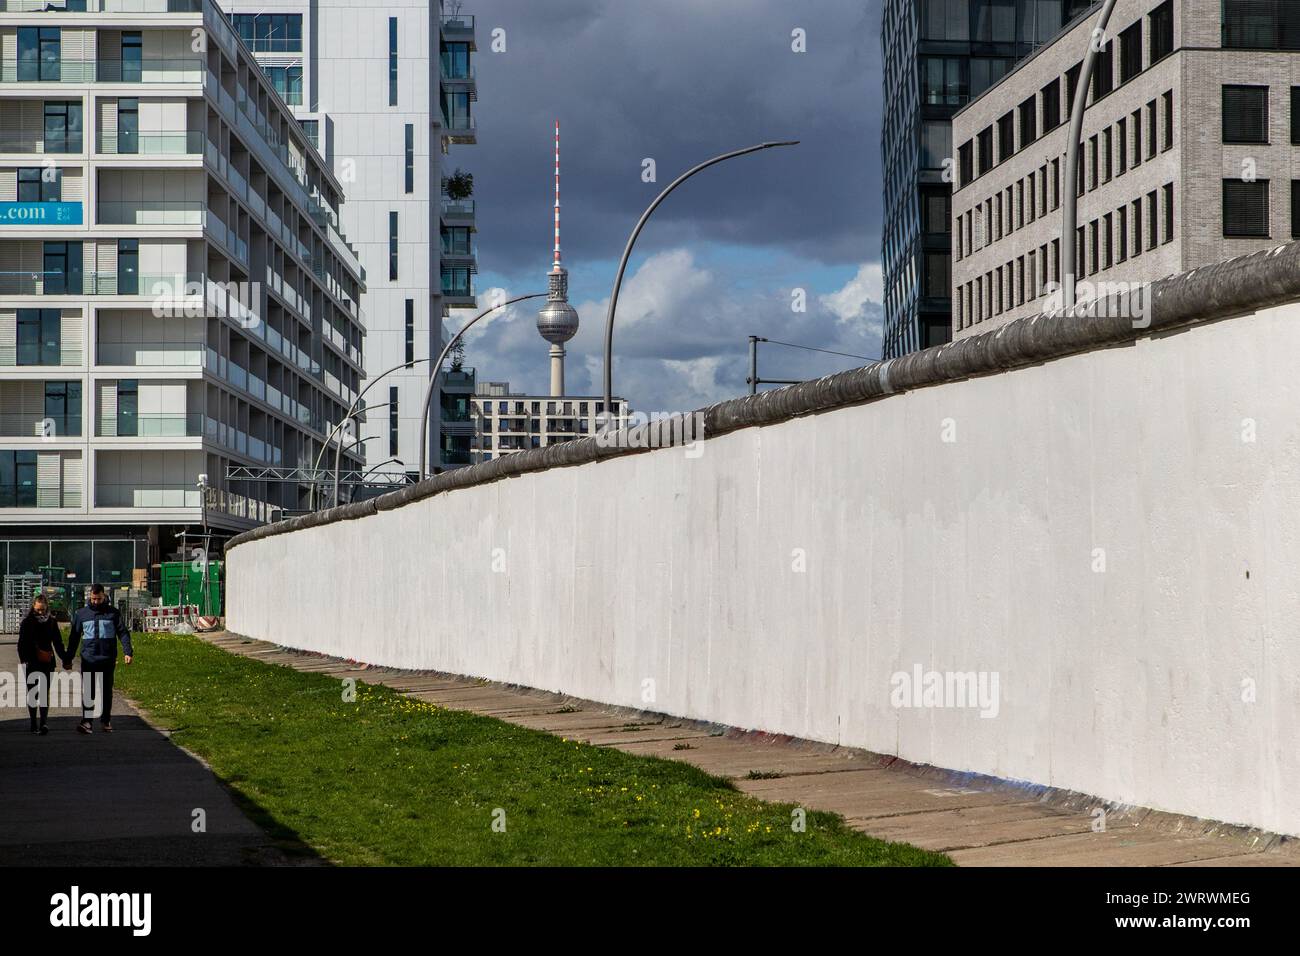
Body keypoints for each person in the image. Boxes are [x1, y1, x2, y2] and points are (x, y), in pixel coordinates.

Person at [66, 583, 133, 734]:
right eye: (93, 599)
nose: (96, 602)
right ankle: (87, 722)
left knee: (107, 691)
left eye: (99, 599)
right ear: (90, 597)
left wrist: (128, 652)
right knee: (89, 691)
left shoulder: (113, 613)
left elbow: (122, 633)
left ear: (104, 596)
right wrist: (68, 659)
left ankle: (106, 720)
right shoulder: (81, 614)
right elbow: (74, 638)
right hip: (89, 659)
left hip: (107, 659)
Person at [16, 593, 67, 735]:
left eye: (43, 609)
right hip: (31, 662)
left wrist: (65, 658)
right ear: (33, 607)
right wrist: (23, 659)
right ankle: (33, 722)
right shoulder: (27, 622)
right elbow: (21, 643)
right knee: (33, 692)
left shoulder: (51, 622)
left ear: (47, 608)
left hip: (47, 662)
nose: (41, 612)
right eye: (38, 609)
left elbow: (58, 642)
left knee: (44, 693)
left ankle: (44, 722)